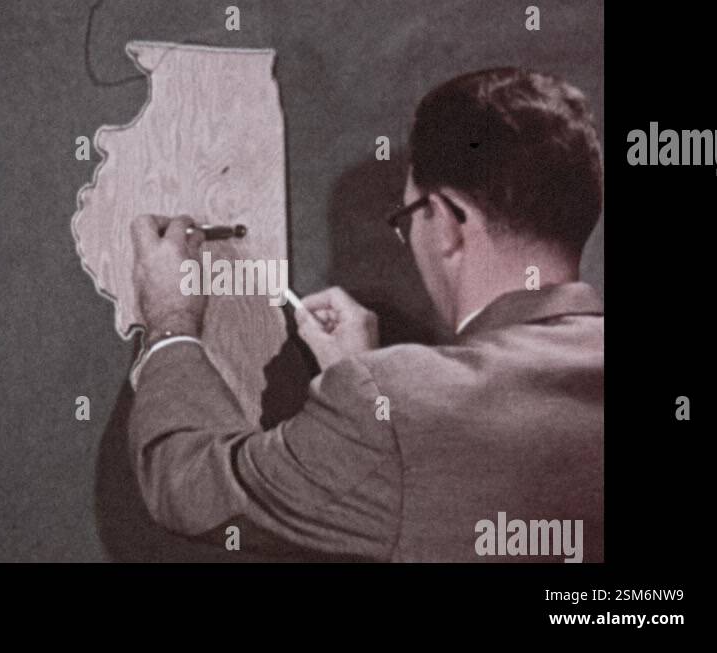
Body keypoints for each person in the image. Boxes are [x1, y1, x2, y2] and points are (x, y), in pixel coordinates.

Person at [127, 67, 604, 562]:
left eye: (407, 219)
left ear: (443, 223)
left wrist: (170, 321)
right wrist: (366, 389)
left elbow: (189, 485)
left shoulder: (399, 408)